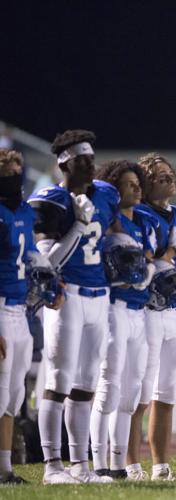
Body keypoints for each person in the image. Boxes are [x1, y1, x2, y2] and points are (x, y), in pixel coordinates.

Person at [29, 130, 120, 484]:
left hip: (100, 296)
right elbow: (48, 260)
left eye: (91, 158)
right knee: (59, 379)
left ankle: (80, 465)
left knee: (86, 383)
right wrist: (79, 226)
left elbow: (110, 235)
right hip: (66, 297)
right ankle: (53, 465)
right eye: (81, 160)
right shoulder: (50, 199)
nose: (89, 165)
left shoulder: (107, 194)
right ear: (64, 163)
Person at [89, 160, 157, 479]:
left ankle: (119, 464)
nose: (136, 188)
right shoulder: (110, 221)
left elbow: (148, 261)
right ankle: (99, 463)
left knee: (131, 393)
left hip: (139, 311)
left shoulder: (143, 221)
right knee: (108, 387)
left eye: (138, 183)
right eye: (129, 184)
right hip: (115, 308)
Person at [129, 153, 176, 480]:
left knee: (166, 392)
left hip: (175, 309)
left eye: (170, 175)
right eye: (159, 177)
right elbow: (146, 260)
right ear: (145, 183)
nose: (168, 180)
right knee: (139, 393)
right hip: (148, 310)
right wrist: (169, 252)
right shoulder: (137, 214)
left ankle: (161, 465)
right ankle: (129, 463)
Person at [0, 148, 60, 484]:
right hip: (0, 304)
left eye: (17, 168)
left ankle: (5, 468)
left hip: (20, 308)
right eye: (6, 169)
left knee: (13, 394)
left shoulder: (22, 210)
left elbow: (31, 254)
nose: (13, 175)